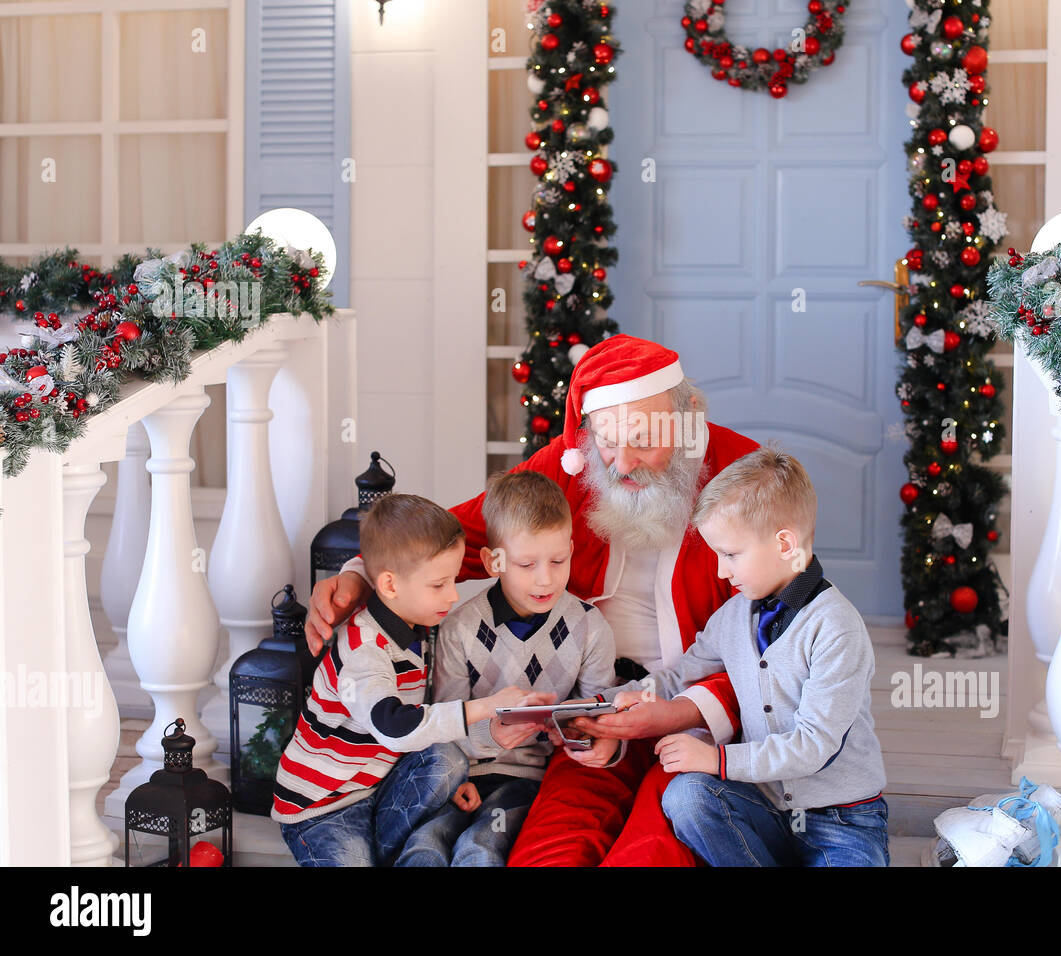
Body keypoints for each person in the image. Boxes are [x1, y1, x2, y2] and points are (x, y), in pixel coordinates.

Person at [306, 335, 762, 866]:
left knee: (652, 850)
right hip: (587, 714)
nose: (621, 464)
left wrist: (674, 713)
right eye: (608, 442)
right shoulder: (570, 467)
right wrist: (366, 573)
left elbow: (775, 639)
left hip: (691, 715)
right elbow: (471, 532)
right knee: (548, 851)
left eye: (641, 440)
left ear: (687, 419)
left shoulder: (744, 476)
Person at [614, 448, 890, 867]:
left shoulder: (835, 627)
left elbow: (814, 746)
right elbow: (679, 676)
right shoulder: (734, 615)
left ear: (783, 543)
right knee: (686, 796)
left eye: (730, 554)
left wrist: (718, 759)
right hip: (766, 810)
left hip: (842, 820)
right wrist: (617, 700)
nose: (722, 571)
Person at [271, 494, 539, 866]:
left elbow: (420, 730)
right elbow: (395, 727)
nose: (453, 594)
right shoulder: (365, 649)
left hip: (375, 788)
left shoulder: (416, 630)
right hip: (322, 807)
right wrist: (485, 707)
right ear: (390, 586)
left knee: (447, 758)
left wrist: (446, 790)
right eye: (439, 584)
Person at [414, 470, 621, 865]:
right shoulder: (460, 628)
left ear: (571, 550)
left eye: (558, 560)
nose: (546, 578)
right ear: (494, 561)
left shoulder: (589, 627)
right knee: (425, 846)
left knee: (480, 848)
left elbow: (598, 712)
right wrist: (490, 735)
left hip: (525, 782)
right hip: (458, 774)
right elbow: (444, 721)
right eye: (527, 565)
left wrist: (581, 733)